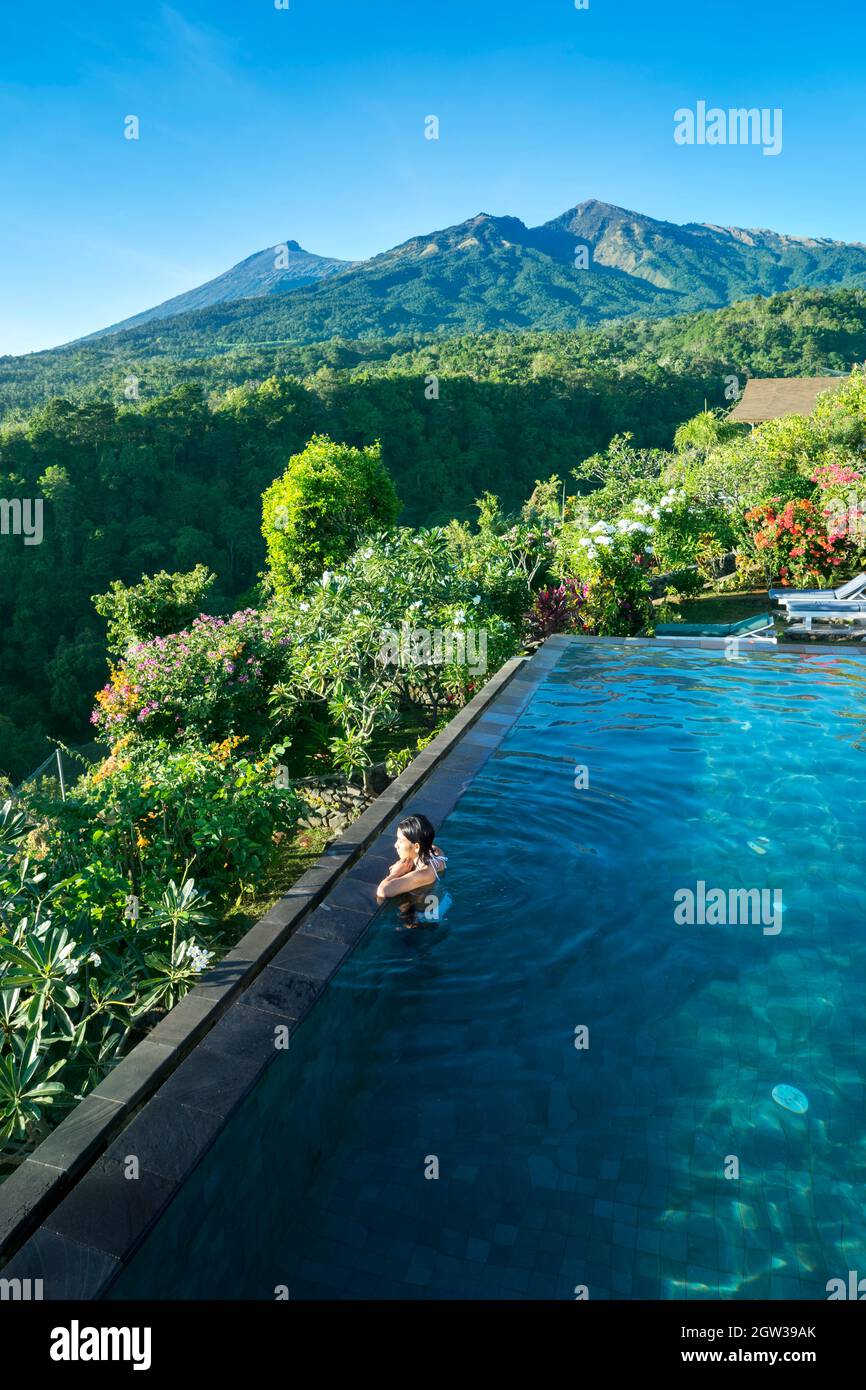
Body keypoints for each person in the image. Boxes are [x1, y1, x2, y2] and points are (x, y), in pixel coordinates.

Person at [375, 813, 447, 928]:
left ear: (417, 847)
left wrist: (395, 873)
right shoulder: (436, 852)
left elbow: (382, 891)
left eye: (400, 841)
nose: (395, 845)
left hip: (426, 918)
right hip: (441, 901)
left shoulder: (424, 874)